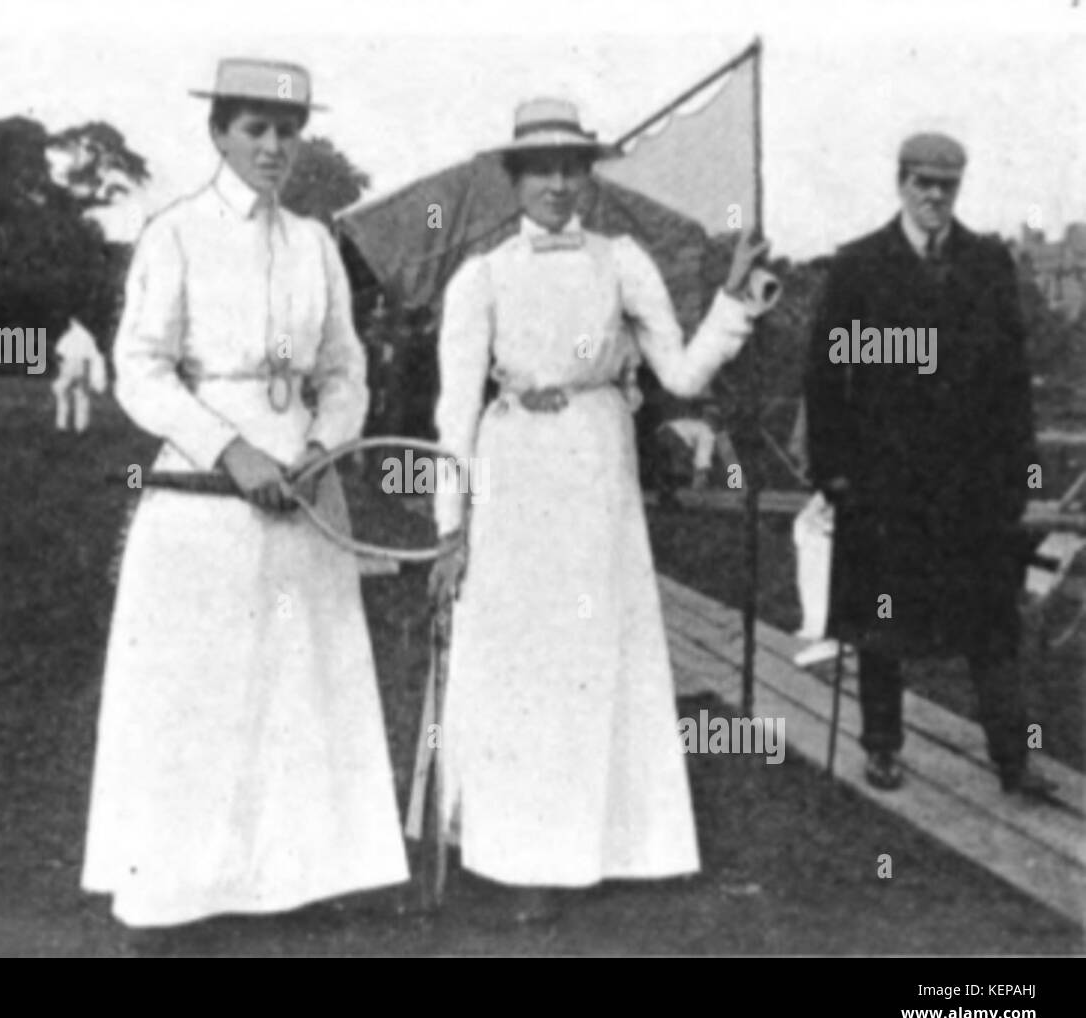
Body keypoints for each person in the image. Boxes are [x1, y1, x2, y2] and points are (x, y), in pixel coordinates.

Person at [81, 58, 409, 929]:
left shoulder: (313, 243)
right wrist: (230, 451)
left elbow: (346, 370)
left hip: (304, 489)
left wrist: (317, 446)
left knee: (300, 680)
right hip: (201, 497)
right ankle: (175, 889)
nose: (274, 147)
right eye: (255, 129)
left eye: (287, 131)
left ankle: (294, 880)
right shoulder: (175, 233)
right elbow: (140, 371)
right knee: (197, 688)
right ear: (219, 132)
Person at [429, 98, 774, 923]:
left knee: (596, 650)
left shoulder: (624, 261)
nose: (557, 182)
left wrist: (733, 305)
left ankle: (612, 842)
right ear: (514, 177)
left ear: (589, 174)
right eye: (540, 167)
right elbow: (452, 412)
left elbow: (683, 377)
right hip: (514, 473)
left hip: (598, 471)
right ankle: (523, 857)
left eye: (572, 165)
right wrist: (450, 525)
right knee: (526, 661)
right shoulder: (480, 276)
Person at [803, 132, 1052, 799]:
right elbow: (828, 380)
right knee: (882, 622)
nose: (935, 196)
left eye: (948, 185)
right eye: (923, 183)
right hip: (885, 486)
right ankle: (882, 747)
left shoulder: (988, 262)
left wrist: (1023, 478)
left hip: (973, 486)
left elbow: (1011, 377)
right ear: (901, 182)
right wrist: (832, 474)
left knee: (992, 625)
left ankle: (1013, 761)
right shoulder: (858, 266)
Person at [51, 316, 106, 432]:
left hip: (68, 365)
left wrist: (61, 368)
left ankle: (61, 425)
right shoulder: (88, 337)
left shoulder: (68, 336)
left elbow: (59, 353)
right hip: (82, 366)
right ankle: (81, 427)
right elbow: (91, 356)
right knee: (82, 397)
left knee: (63, 395)